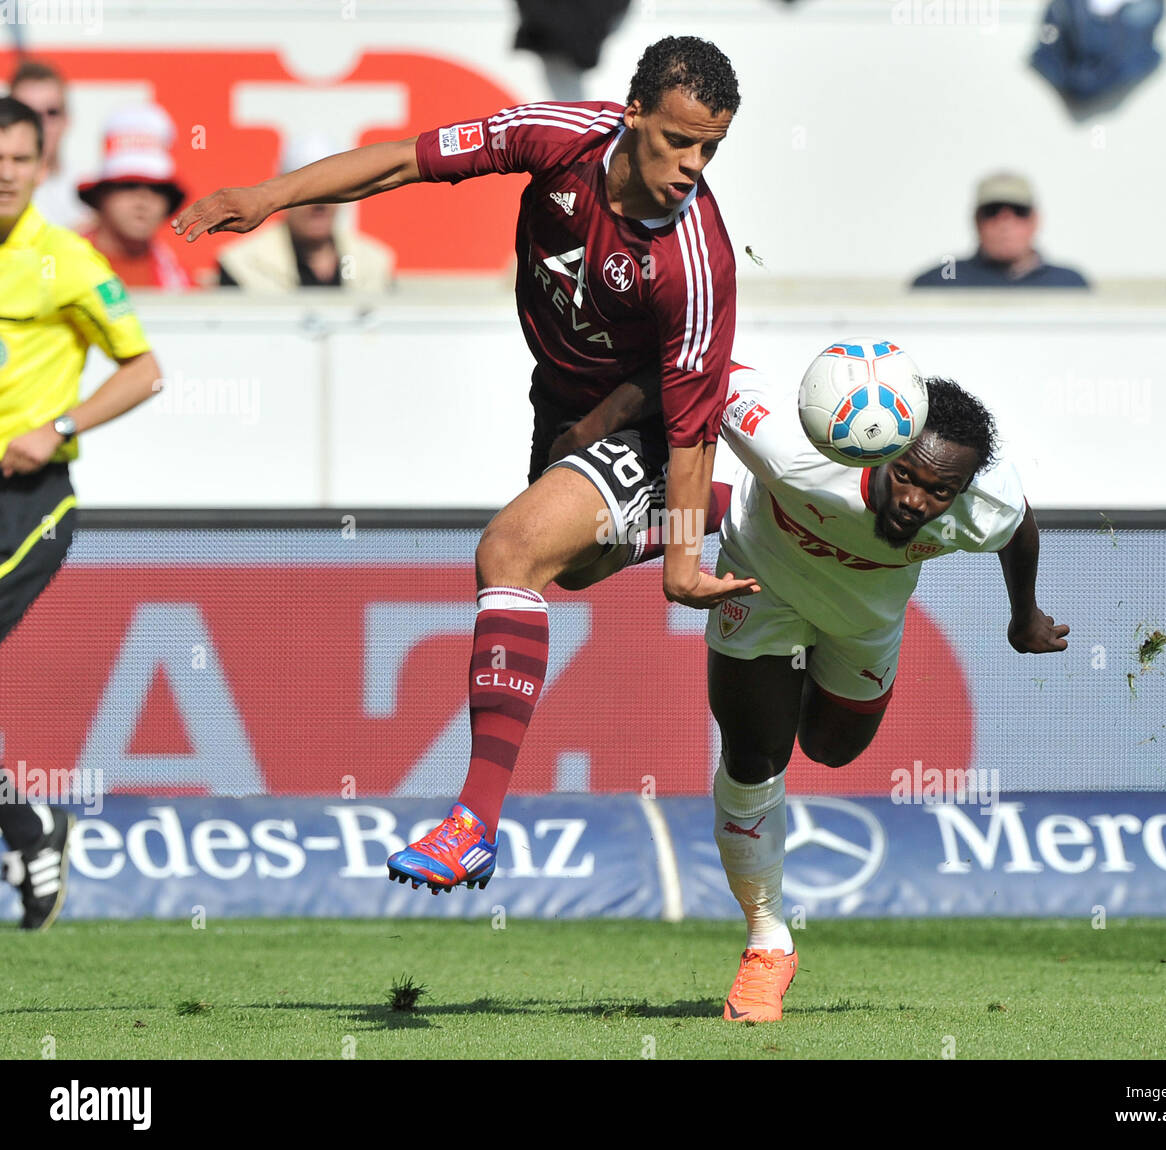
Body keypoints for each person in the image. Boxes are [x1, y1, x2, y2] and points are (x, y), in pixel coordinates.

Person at [173, 36, 757, 893]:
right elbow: (400, 165)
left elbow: (692, 420)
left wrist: (676, 568)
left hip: (652, 427)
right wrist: (267, 195)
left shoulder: (695, 262)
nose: (692, 165)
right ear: (632, 114)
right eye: (679, 141)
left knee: (508, 552)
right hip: (558, 403)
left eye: (711, 149)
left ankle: (472, 824)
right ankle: (721, 509)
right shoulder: (558, 137)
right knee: (574, 571)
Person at [703, 357, 1069, 1020]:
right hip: (761, 585)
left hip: (863, 623)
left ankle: (801, 674)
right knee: (756, 757)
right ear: (882, 448)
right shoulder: (792, 447)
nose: (914, 501)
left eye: (938, 491)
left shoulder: (981, 503)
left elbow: (1018, 527)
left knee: (831, 749)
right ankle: (767, 943)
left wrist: (1025, 616)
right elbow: (698, 364)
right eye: (905, 475)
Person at [0, 96, 163, 929]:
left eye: (20, 159)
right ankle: (26, 820)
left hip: (25, 499)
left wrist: (55, 428)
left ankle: (25, 822)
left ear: (41, 166)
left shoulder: (65, 262)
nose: (4, 171)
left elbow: (143, 370)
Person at [218, 134, 395, 291]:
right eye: (306, 193)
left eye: (330, 189)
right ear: (281, 196)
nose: (319, 203)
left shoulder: (374, 263)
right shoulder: (242, 265)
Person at [78, 103, 192, 290]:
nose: (143, 201)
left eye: (157, 189)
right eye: (128, 186)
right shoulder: (59, 264)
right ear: (100, 195)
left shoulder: (181, 284)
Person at [911, 172, 1088, 288]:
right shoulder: (939, 283)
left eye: (1019, 211)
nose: (1005, 223)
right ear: (976, 220)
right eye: (992, 211)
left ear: (1035, 220)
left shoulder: (1070, 284)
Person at [7, 59, 87, 231]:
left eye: (51, 112)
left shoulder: (92, 193)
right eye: (28, 114)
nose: (41, 124)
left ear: (67, 119)